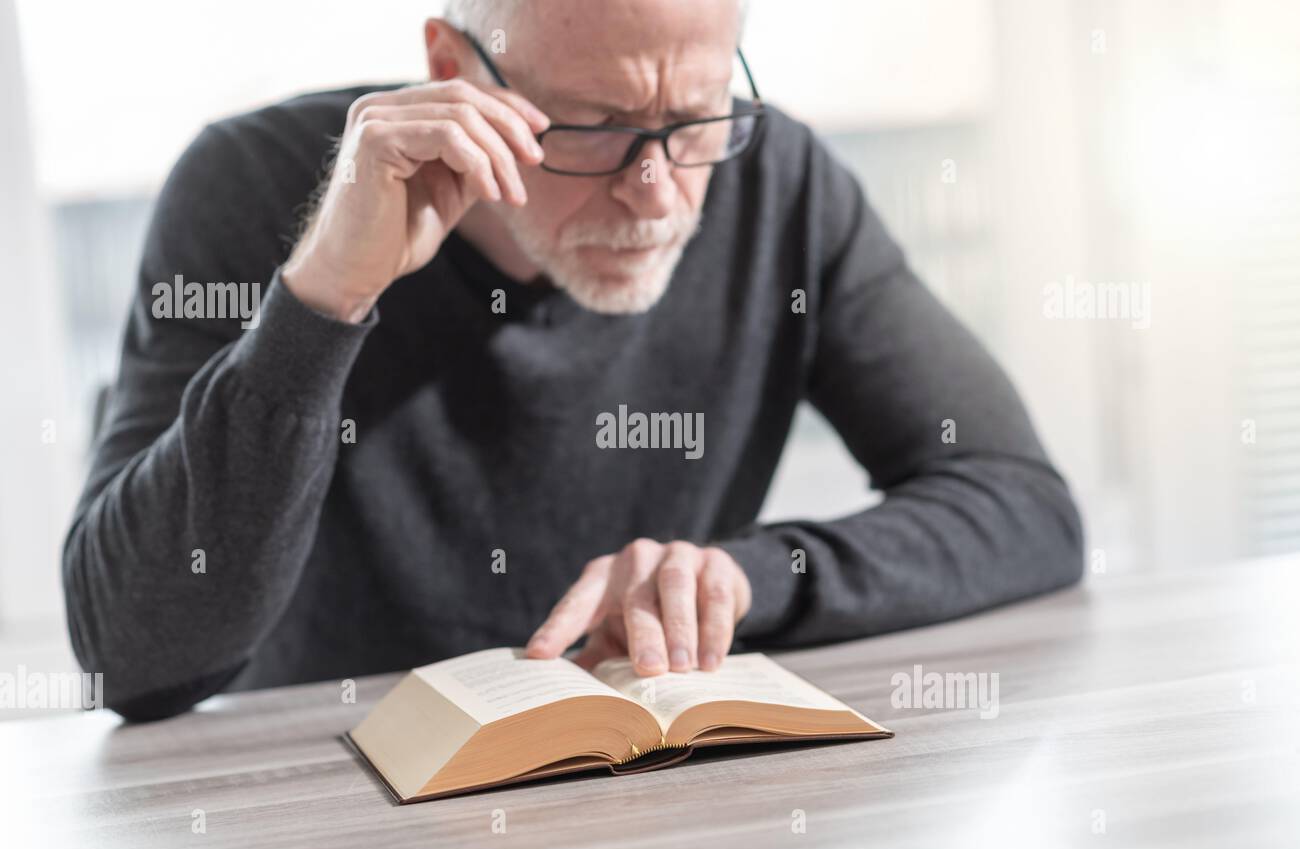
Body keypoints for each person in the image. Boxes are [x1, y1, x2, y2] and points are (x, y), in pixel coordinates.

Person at [63, 0, 1084, 721]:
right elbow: (133, 662)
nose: (658, 195)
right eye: (594, 129)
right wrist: (324, 296)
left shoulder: (778, 183)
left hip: (656, 804)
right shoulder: (253, 189)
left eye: (696, 115)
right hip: (335, 816)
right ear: (454, 71)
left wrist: (742, 577)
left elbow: (1020, 504)